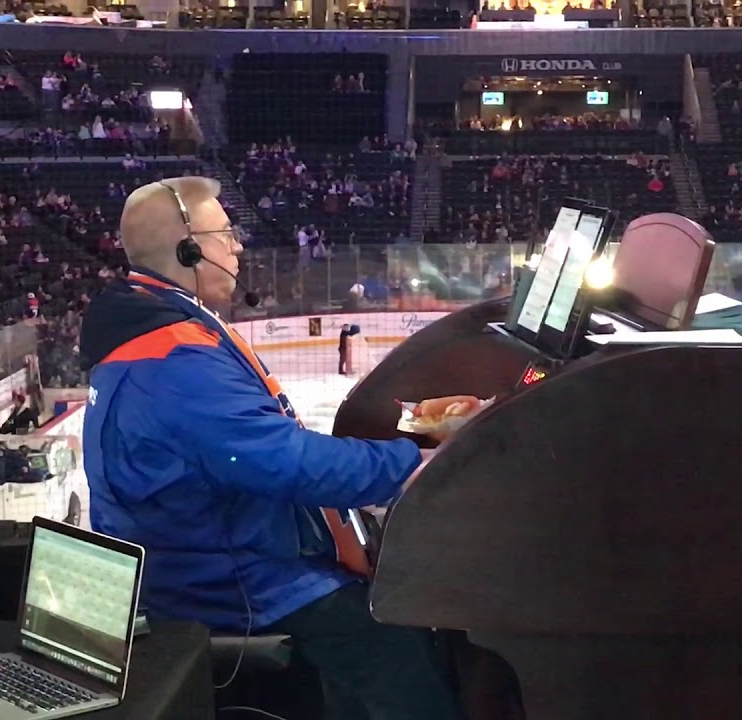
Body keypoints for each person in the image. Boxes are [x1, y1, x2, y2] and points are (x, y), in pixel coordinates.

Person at [78, 177, 465, 720]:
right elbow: (281, 461)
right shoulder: (174, 358)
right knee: (393, 643)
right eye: (225, 234)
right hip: (228, 582)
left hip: (201, 556)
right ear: (188, 248)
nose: (237, 247)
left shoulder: (149, 326)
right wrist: (414, 463)